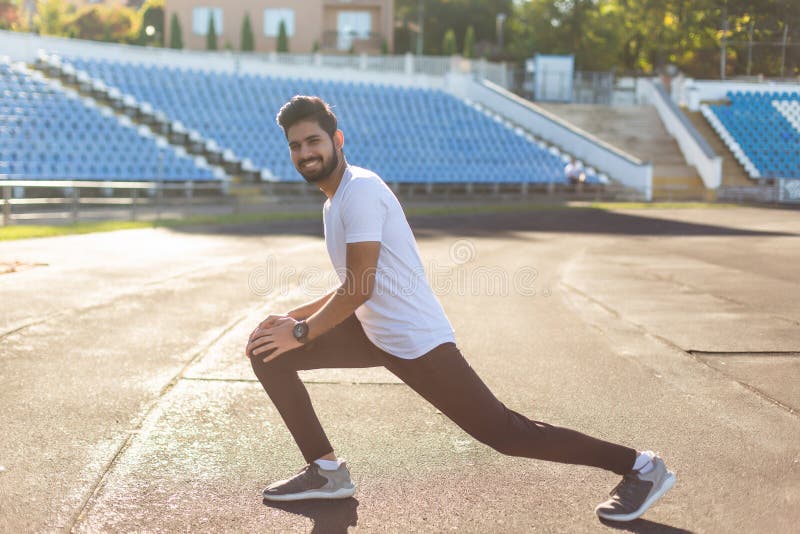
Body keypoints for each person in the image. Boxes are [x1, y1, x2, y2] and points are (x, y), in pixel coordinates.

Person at [245, 96, 675, 522]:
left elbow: (360, 288)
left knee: (505, 433)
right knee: (266, 349)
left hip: (414, 339)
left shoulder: (359, 191)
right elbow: (353, 285)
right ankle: (326, 472)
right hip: (374, 331)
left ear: (337, 139)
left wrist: (300, 331)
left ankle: (640, 466)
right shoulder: (334, 201)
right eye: (295, 145)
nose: (305, 152)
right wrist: (291, 318)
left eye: (313, 140)